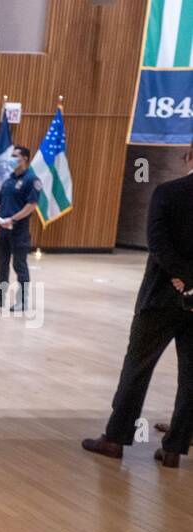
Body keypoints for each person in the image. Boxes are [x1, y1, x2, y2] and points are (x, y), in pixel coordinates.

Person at [82, 142, 193, 469]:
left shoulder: (167, 192)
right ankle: (174, 449)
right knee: (191, 377)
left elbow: (157, 243)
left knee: (137, 369)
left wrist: (184, 277)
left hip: (159, 298)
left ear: (189, 156)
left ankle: (115, 439)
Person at [0, 144, 41, 311]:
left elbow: (31, 205)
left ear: (25, 158)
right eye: (12, 156)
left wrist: (13, 219)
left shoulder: (32, 180)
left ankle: (22, 301)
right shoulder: (9, 180)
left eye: (15, 156)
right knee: (2, 265)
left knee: (19, 266)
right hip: (3, 230)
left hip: (19, 231)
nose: (12, 159)